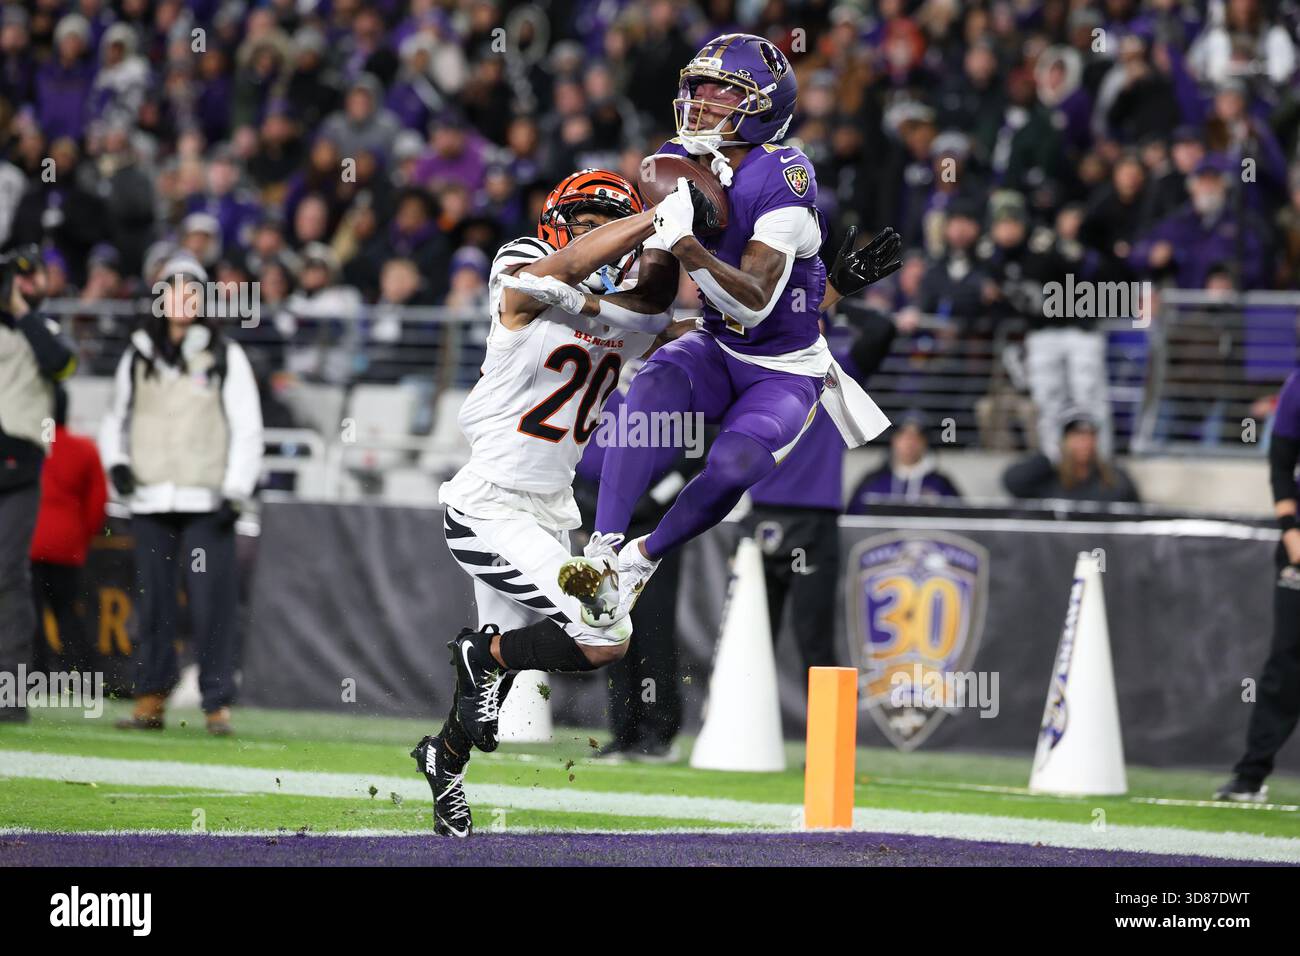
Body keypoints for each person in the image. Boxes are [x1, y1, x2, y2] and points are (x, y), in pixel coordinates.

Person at [547, 34, 892, 629]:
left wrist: (684, 242)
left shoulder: (786, 176)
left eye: (719, 91)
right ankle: (602, 550)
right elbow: (656, 293)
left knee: (735, 465)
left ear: (763, 105)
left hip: (782, 367)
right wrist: (584, 301)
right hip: (715, 343)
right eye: (696, 87)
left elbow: (755, 302)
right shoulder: (673, 159)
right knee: (649, 391)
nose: (699, 101)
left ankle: (638, 560)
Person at [99, 255, 263, 736]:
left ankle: (216, 703)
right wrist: (118, 465)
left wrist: (235, 488)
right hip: (151, 498)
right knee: (152, 602)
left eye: (193, 292)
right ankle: (150, 698)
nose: (182, 301)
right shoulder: (138, 353)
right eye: (174, 291)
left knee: (213, 601)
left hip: (206, 500)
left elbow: (247, 426)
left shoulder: (222, 354)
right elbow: (115, 419)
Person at [1217, 369, 1300, 802]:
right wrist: (1290, 529)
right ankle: (1250, 776)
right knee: (1287, 661)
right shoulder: (1297, 386)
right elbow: (1281, 462)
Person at [0, 247, 76, 722]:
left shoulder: (41, 330)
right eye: (18, 279)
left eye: (34, 279)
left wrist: (22, 312)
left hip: (20, 463)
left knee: (7, 575)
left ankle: (8, 692)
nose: (28, 286)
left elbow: (62, 365)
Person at [29, 385, 107, 674]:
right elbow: (98, 501)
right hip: (67, 546)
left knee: (30, 613)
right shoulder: (84, 448)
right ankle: (79, 674)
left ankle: (33, 673)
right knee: (69, 612)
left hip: (29, 543)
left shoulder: (29, 446)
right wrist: (81, 537)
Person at [1002, 412, 1139, 504]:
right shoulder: (1047, 477)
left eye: (1089, 437)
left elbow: (1134, 514)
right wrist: (1049, 457)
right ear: (1064, 441)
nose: (1084, 443)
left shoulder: (1113, 479)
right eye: (1077, 437)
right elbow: (1012, 482)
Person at [847, 410, 962, 508]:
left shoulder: (940, 484)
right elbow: (852, 523)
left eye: (916, 437)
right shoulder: (873, 482)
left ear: (925, 443)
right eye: (904, 436)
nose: (909, 443)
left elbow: (959, 522)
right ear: (894, 441)